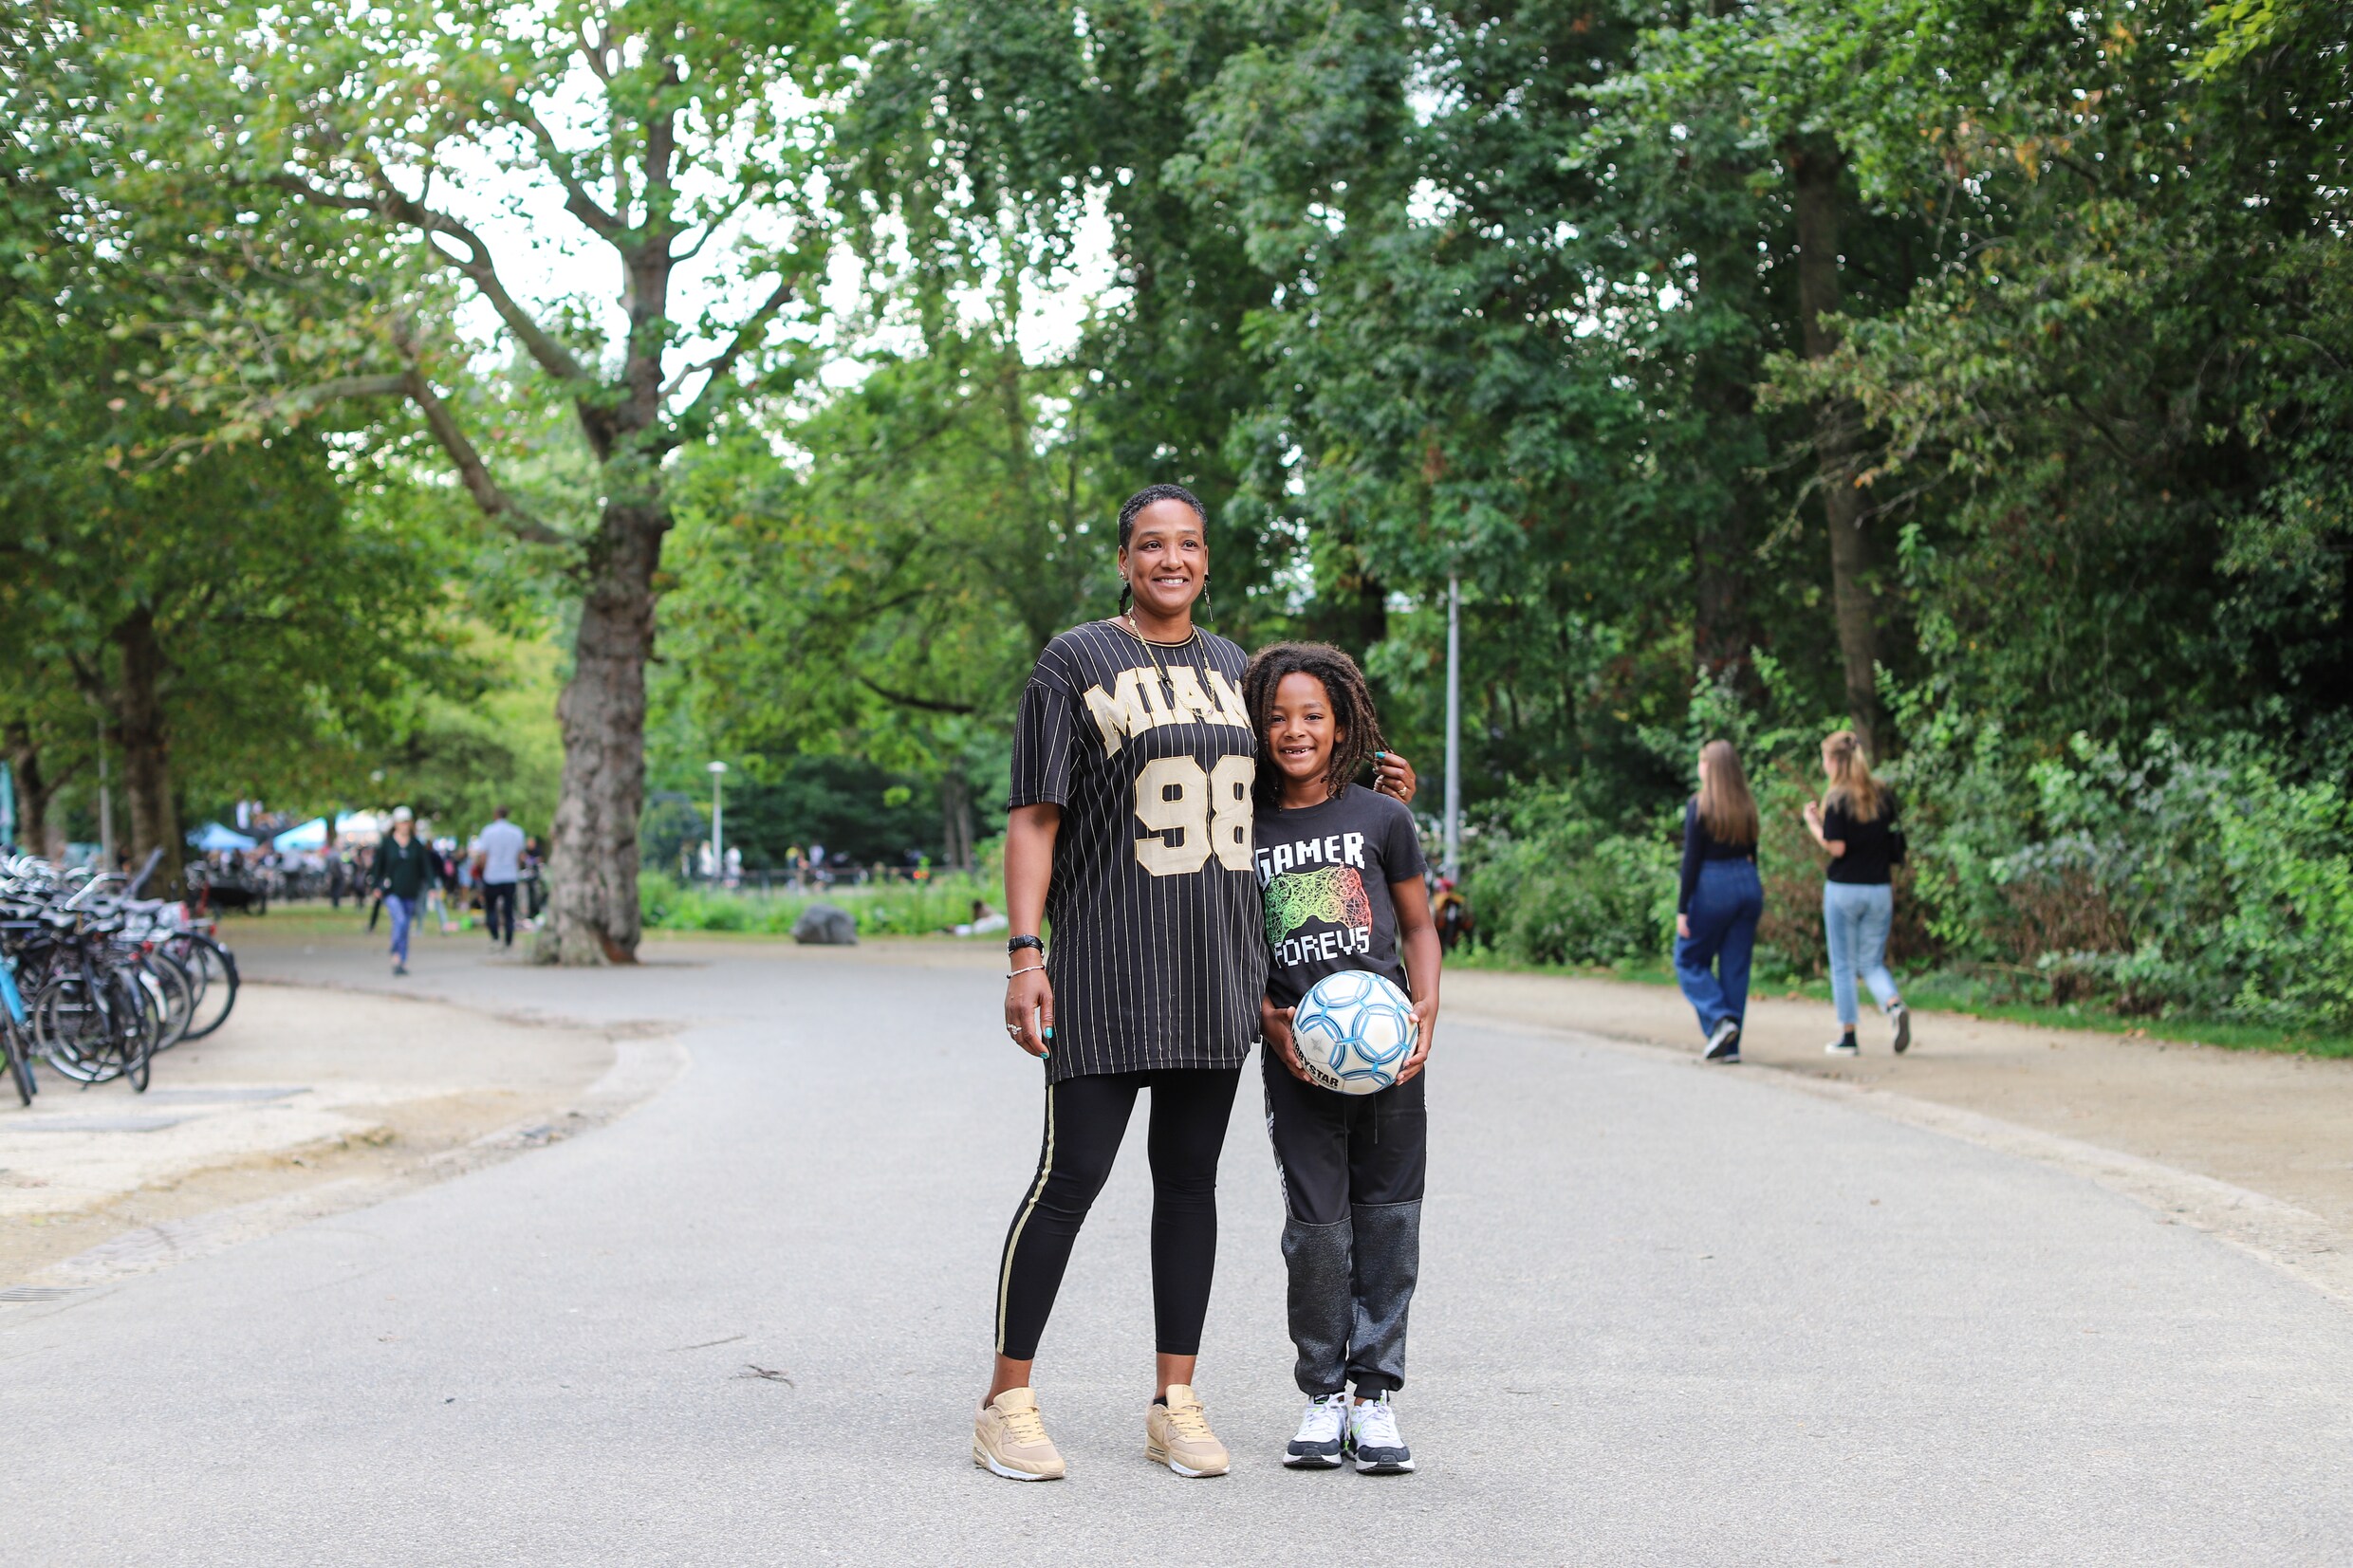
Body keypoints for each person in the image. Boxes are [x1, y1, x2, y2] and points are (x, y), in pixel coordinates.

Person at [977, 483, 1415, 1485]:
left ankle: (1174, 1400)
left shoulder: (1236, 672)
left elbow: (1283, 789)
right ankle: (1005, 1399)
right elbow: (1034, 819)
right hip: (1103, 965)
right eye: (1147, 545)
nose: (1168, 559)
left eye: (1185, 545)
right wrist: (1023, 953)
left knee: (1187, 1188)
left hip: (1213, 972)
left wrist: (1364, 786)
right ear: (1124, 560)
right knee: (1069, 1183)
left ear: (1206, 561)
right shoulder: (1074, 662)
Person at [1245, 642, 1441, 1477]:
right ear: (1256, 727)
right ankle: (1323, 1390)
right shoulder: (1242, 828)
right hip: (1300, 1063)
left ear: (1343, 724)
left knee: (1389, 1222)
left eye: (1312, 716)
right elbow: (1232, 948)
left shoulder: (1383, 819)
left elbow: (1421, 927)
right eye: (1278, 716)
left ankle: (1375, 1393)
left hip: (1392, 1061)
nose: (1294, 730)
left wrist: (1427, 1006)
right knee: (1318, 1233)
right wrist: (1266, 1018)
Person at [1803, 729, 1912, 1057]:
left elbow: (1836, 847)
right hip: (1879, 888)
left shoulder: (1837, 798)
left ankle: (1848, 1037)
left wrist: (1812, 823)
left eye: (1825, 759)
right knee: (1871, 962)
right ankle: (1893, 1006)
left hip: (1844, 890)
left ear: (1835, 761)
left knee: (1843, 964)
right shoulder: (1881, 794)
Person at [1674, 739, 1764, 1064]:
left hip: (1713, 885)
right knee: (1735, 968)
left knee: (1688, 959)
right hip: (1749, 884)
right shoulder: (1747, 806)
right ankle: (1731, 1046)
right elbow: (1754, 854)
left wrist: (1683, 908)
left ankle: (1718, 1020)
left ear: (1709, 768)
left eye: (1702, 762)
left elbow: (1691, 861)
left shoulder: (1700, 805)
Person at [372, 807, 434, 977]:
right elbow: (378, 867)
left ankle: (400, 960)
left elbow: (426, 868)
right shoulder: (387, 843)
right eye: (401, 822)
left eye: (407, 822)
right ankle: (395, 949)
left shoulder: (416, 845)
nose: (404, 825)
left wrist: (432, 887)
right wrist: (376, 886)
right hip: (391, 890)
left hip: (410, 891)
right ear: (396, 824)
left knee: (405, 925)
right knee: (399, 919)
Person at [472, 806, 527, 950]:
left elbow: (483, 856)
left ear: (495, 815)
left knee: (491, 909)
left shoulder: (488, 831)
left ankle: (495, 937)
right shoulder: (517, 832)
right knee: (509, 910)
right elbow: (521, 856)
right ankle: (508, 939)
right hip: (510, 876)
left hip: (492, 876)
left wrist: (483, 871)